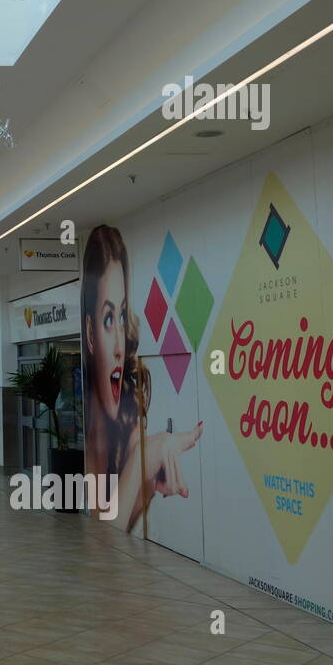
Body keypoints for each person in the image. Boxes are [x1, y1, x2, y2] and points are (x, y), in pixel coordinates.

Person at [81, 225, 203, 531]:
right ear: (89, 334)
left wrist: (143, 468)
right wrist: (140, 460)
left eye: (122, 317)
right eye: (108, 318)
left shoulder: (132, 429)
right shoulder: (95, 437)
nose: (120, 346)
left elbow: (108, 544)